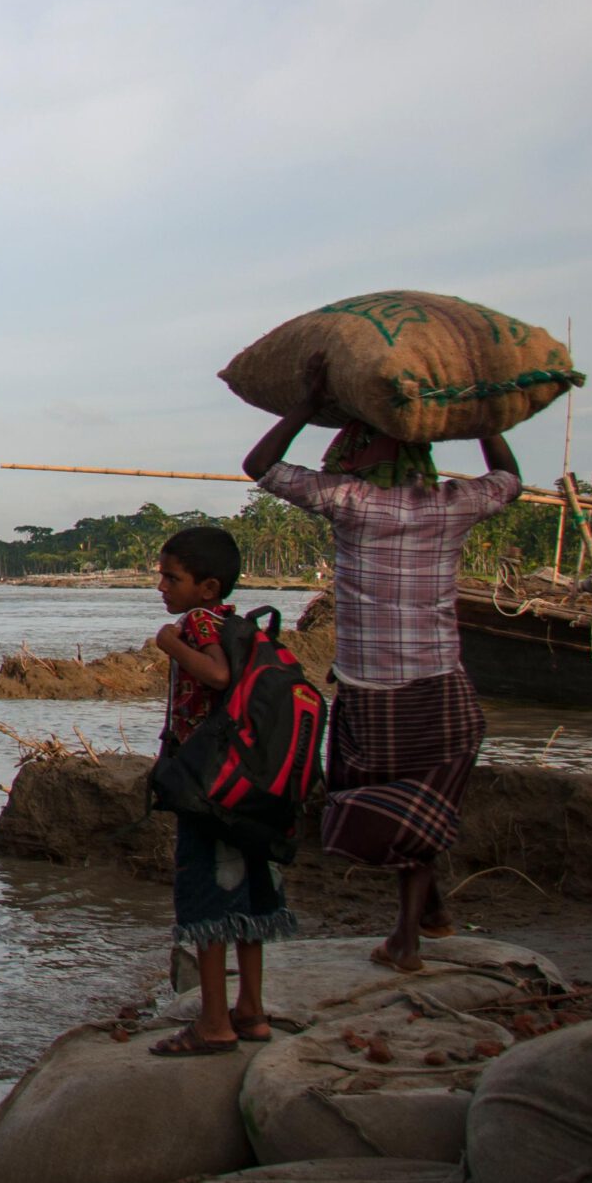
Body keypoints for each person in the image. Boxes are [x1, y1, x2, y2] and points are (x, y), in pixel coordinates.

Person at [244, 353, 520, 974]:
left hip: (376, 694)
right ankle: (431, 912)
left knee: (385, 809)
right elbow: (508, 477)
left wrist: (307, 406)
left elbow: (260, 467)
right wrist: (481, 420)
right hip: (441, 687)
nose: (338, 457)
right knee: (408, 805)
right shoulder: (453, 503)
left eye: (351, 447)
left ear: (373, 456)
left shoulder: (351, 502)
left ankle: (407, 939)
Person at [145, 525, 291, 1057]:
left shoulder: (200, 621)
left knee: (208, 904)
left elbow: (218, 676)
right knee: (250, 902)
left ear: (207, 587)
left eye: (170, 577)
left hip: (209, 785)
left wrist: (169, 643)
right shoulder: (240, 623)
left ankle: (213, 1021)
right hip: (244, 784)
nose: (160, 585)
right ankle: (250, 1010)